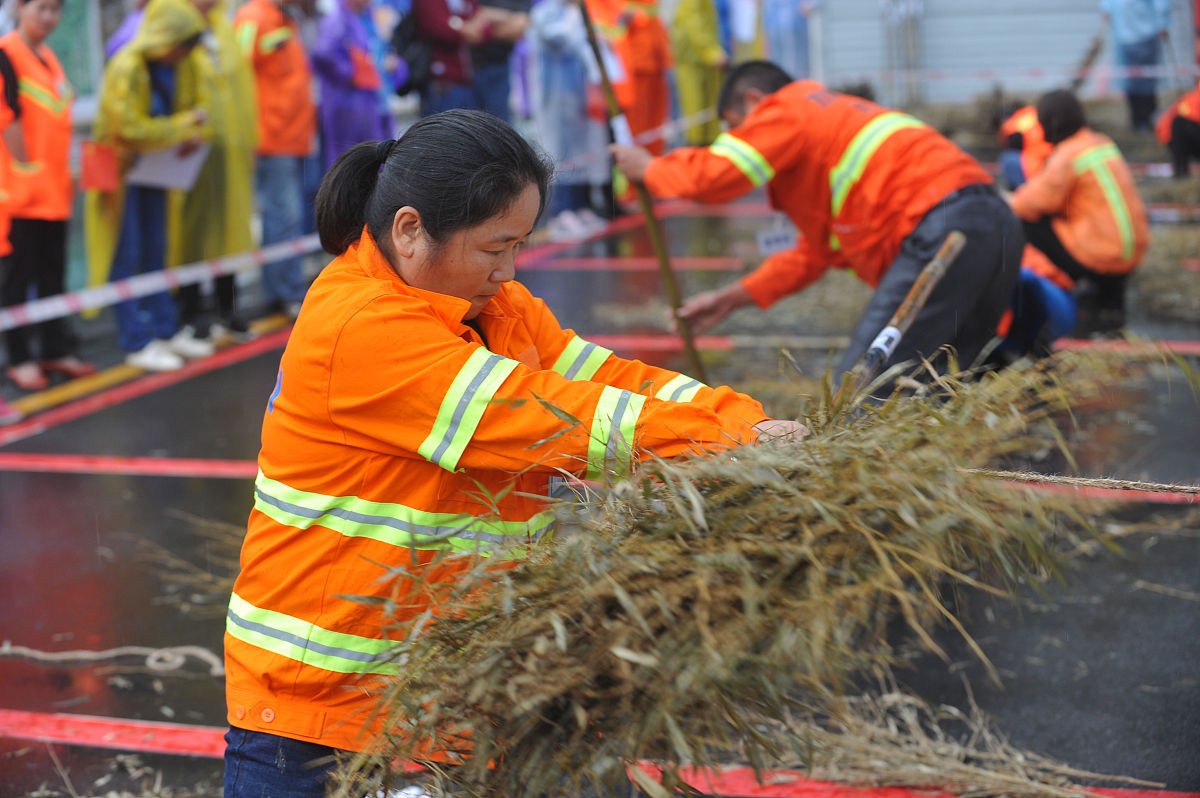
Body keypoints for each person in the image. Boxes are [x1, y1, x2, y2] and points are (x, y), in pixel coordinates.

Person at [221, 109, 803, 797]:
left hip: (443, 678)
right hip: (318, 704)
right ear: (410, 231)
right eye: (495, 246)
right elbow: (546, 418)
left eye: (519, 245)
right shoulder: (359, 327)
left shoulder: (490, 305)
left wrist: (743, 423)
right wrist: (723, 444)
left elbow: (604, 380)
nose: (509, 269)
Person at [611, 61, 1023, 384]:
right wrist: (732, 298)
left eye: (736, 130)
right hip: (995, 226)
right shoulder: (831, 130)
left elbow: (714, 175)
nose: (743, 140)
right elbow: (813, 254)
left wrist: (651, 169)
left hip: (944, 231)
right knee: (946, 379)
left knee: (868, 389)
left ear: (754, 102)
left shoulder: (787, 107)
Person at [83, 0, 215, 372]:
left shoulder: (182, 63)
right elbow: (126, 128)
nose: (184, 53)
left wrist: (194, 130)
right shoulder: (127, 65)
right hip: (120, 178)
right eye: (181, 44)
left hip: (156, 171)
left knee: (157, 249)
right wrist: (183, 127)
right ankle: (136, 340)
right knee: (125, 253)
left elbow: (199, 107)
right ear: (165, 36)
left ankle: (165, 329)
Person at [0, 0, 96, 391]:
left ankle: (55, 348)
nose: (49, 17)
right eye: (40, 8)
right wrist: (27, 168)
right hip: (21, 193)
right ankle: (19, 357)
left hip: (54, 190)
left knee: (52, 276)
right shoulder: (7, 54)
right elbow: (9, 121)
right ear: (19, 8)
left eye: (55, 10)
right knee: (16, 280)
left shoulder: (49, 57)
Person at [1007, 90, 1149, 335]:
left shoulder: (1067, 155)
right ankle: (1109, 296)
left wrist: (1003, 199)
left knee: (1025, 222)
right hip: (1133, 252)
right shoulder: (1101, 142)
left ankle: (1061, 294)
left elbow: (1029, 204)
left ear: (1049, 123)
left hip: (1103, 256)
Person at [169, 0, 258, 341]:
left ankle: (227, 309)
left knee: (229, 228)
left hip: (230, 151)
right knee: (191, 231)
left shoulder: (224, 27)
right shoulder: (174, 26)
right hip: (190, 151)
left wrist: (250, 140)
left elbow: (243, 88)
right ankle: (191, 312)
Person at [235, 0, 317, 320]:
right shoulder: (253, 18)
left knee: (288, 218)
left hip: (295, 137)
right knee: (282, 217)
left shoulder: (286, 19)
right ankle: (285, 291)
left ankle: (285, 289)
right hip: (272, 139)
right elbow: (238, 75)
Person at [311, 0, 392, 170]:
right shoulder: (338, 20)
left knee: (369, 161)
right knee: (347, 163)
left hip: (364, 103)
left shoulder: (360, 18)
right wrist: (352, 74)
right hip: (345, 105)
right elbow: (322, 53)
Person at [411, 0, 494, 116]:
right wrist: (467, 26)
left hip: (469, 80)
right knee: (441, 130)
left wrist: (456, 24)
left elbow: (486, 30)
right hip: (441, 82)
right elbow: (439, 28)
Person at [1101, 0, 1170, 131]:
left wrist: (1162, 24)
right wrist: (1106, 9)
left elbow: (1161, 4)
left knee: (1147, 79)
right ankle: (1137, 120)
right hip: (1123, 37)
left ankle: (1149, 118)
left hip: (1146, 35)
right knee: (1130, 81)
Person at [670, 0, 727, 146]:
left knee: (706, 114)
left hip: (701, 62)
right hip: (695, 63)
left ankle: (705, 149)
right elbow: (694, 25)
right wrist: (711, 53)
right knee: (697, 115)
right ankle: (697, 152)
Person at [996, 102, 1053, 190]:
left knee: (1007, 158)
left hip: (1035, 165)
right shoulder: (1034, 114)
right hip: (1050, 159)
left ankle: (1022, 192)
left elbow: (1010, 142)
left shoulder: (1016, 121)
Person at [1154, 78, 1200, 178]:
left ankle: (1181, 173)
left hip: (1170, 132)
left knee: (1179, 123)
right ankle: (1181, 173)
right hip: (1171, 132)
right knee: (1180, 123)